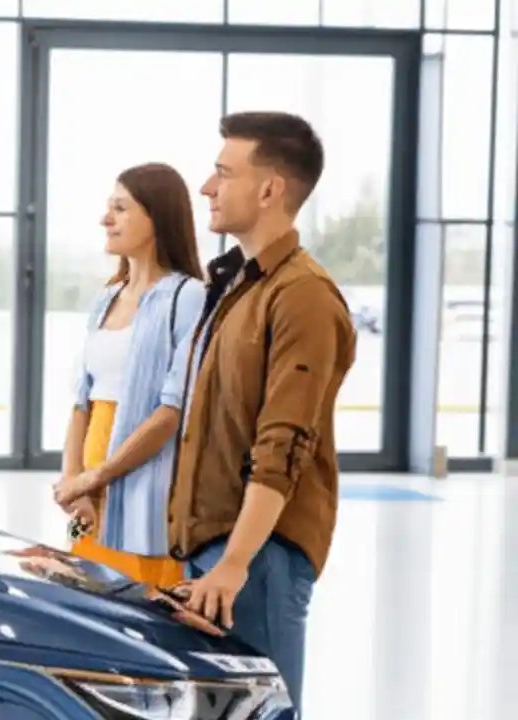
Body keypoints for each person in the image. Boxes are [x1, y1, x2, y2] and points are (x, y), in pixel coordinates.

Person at [167, 111, 356, 713]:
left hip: (256, 556)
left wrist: (235, 563)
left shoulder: (303, 296)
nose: (207, 187)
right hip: (214, 550)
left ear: (270, 189)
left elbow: (285, 445)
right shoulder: (238, 285)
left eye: (224, 173)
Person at [51, 162, 205, 588]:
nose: (106, 219)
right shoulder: (106, 297)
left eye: (120, 208)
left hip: (144, 495)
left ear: (157, 217)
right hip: (89, 496)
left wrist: (97, 476)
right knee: (83, 599)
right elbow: (82, 401)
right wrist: (74, 483)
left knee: (140, 604)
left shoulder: (188, 297)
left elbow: (172, 411)